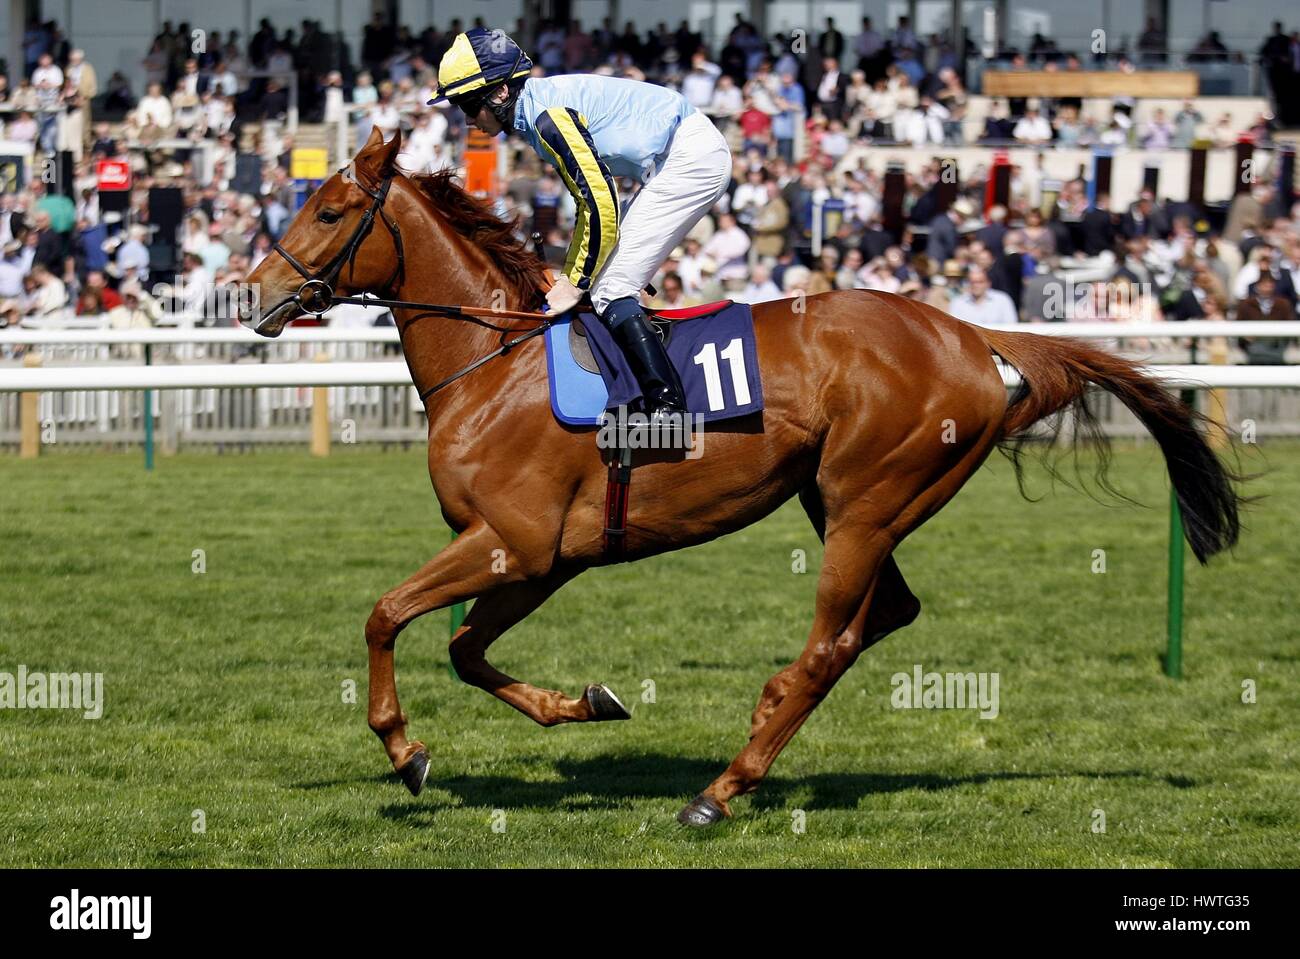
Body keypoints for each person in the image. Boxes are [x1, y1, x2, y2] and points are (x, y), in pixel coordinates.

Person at [431, 27, 731, 423]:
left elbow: (599, 204)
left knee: (609, 287)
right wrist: (571, 276)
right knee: (601, 281)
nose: (468, 119)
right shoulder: (536, 111)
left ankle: (668, 412)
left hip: (689, 157)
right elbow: (590, 206)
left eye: (468, 105)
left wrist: (574, 281)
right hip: (672, 158)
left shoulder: (547, 117)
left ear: (501, 92)